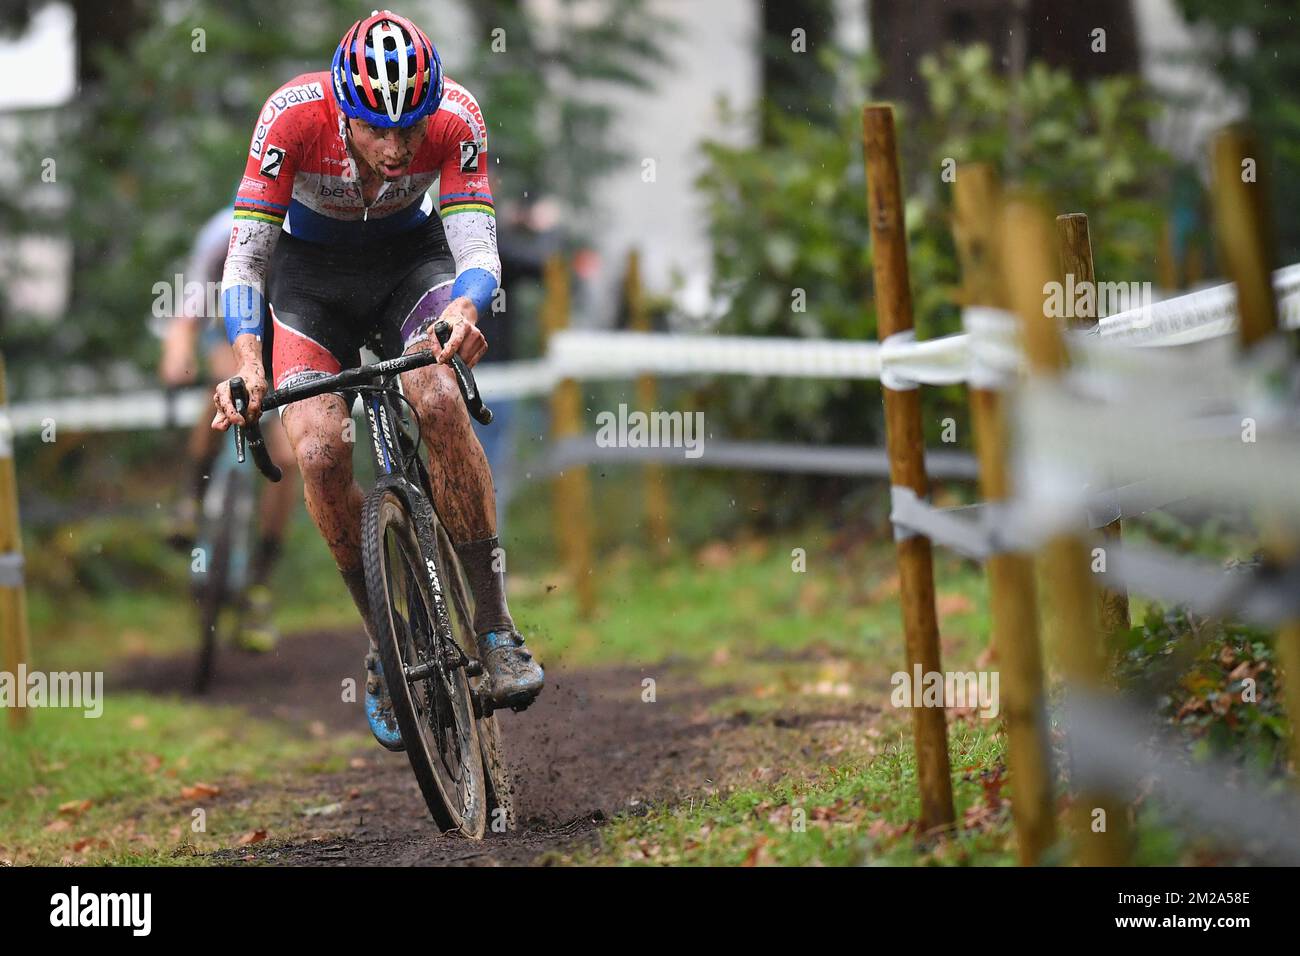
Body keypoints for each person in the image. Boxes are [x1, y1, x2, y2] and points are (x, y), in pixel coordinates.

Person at [209, 10, 544, 752]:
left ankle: (494, 629)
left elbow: (476, 243)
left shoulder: (456, 117)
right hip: (308, 287)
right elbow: (246, 260)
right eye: (375, 130)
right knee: (322, 451)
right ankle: (383, 643)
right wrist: (248, 361)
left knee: (435, 394)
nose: (395, 149)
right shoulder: (291, 118)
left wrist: (464, 307)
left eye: (409, 130)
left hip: (409, 266)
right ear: (341, 109)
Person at [159, 207, 299, 651]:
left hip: (285, 343)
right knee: (221, 387)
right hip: (229, 335)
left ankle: (259, 583)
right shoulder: (222, 231)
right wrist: (177, 356)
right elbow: (189, 312)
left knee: (287, 459)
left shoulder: (310, 228)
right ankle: (191, 499)